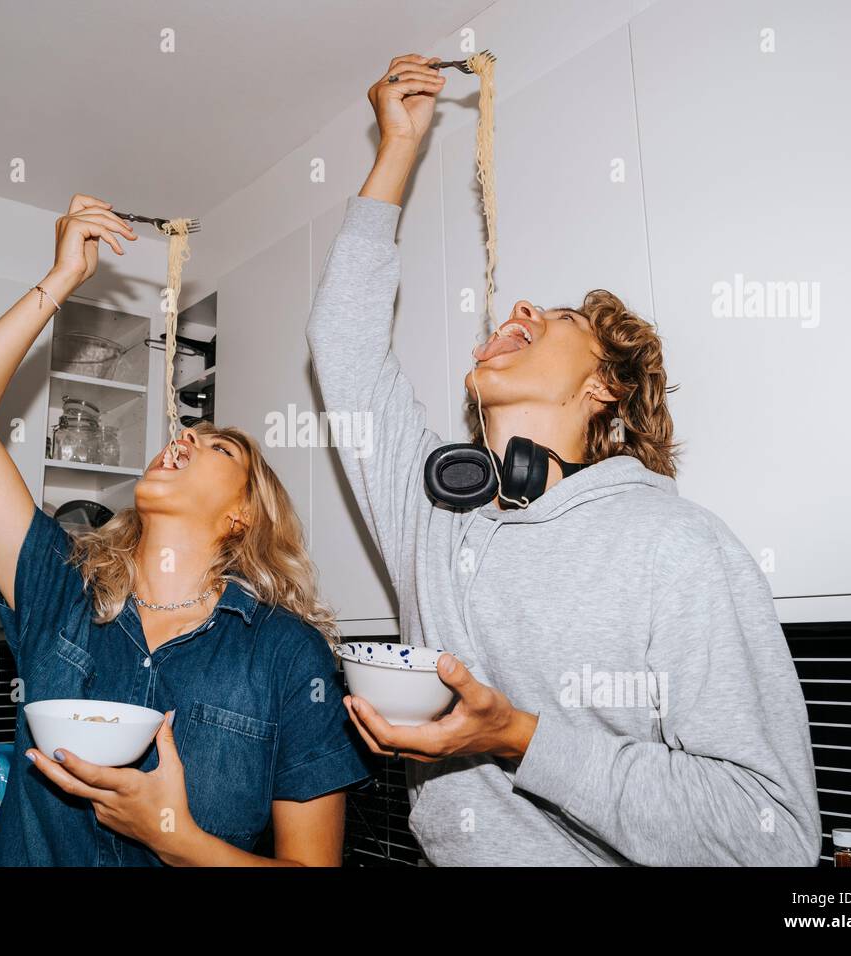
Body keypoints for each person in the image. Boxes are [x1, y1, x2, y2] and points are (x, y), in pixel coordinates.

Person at [305, 55, 821, 865]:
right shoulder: (435, 509)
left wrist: (518, 738)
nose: (517, 310)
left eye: (554, 316)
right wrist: (396, 147)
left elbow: (771, 835)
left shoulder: (677, 547)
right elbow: (342, 342)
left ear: (604, 387)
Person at [0, 192, 369, 866]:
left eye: (219, 448)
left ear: (242, 515)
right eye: (188, 431)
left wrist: (172, 838)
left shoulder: (283, 654)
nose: (185, 438)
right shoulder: (57, 586)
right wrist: (61, 280)